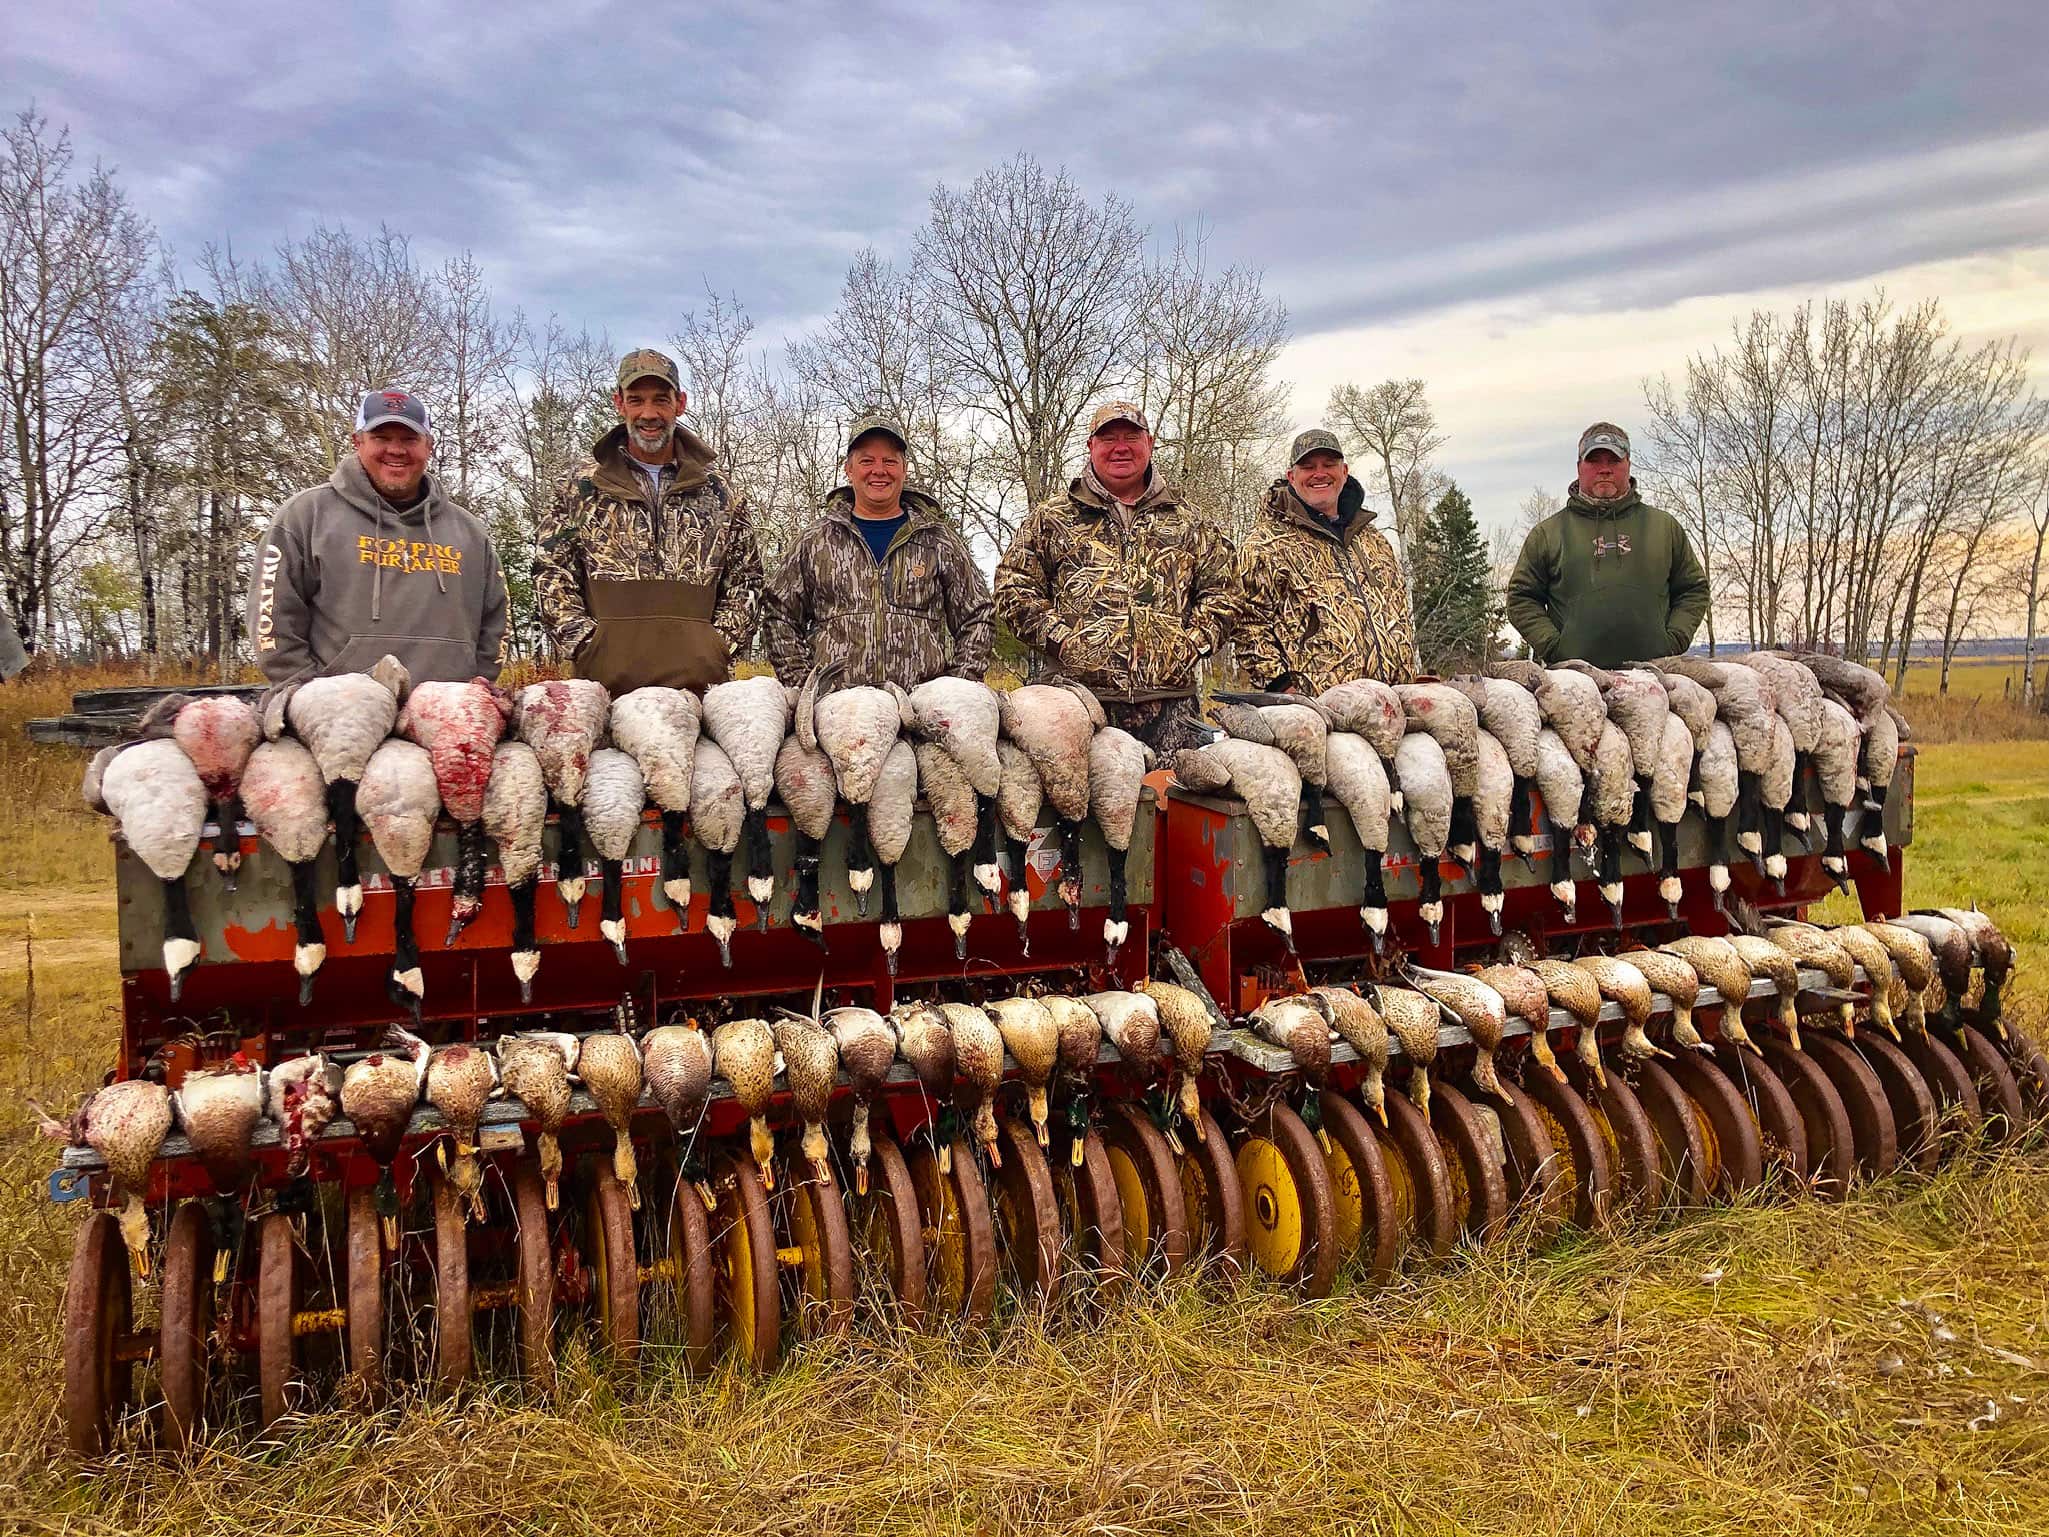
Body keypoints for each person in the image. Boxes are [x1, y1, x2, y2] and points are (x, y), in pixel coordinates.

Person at [995, 401, 1237, 752]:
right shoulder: (1052, 518)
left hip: (1171, 708)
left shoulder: (1189, 521)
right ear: (1091, 446)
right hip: (1077, 707)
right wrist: (1063, 641)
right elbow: (1013, 587)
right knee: (1080, 789)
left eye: (1131, 437)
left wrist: (1191, 644)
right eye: (1108, 438)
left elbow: (1226, 593)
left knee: (1173, 788)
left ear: (1149, 443)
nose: (1120, 447)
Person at [534, 348, 762, 694]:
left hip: (701, 695)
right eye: (636, 400)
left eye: (661, 400)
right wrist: (586, 645)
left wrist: (718, 646)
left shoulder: (721, 492)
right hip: (603, 694)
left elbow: (747, 580)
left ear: (680, 403)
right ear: (619, 403)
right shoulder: (579, 488)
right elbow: (551, 572)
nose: (649, 413)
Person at [249, 387, 507, 685]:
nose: (396, 450)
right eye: (381, 438)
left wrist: (476, 688)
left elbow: (496, 622)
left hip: (448, 708)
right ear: (357, 442)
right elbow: (272, 620)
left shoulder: (470, 532)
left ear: (429, 446)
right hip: (339, 707)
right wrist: (306, 693)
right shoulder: (306, 516)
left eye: (409, 439)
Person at [763, 412, 992, 688]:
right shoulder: (815, 540)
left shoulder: (937, 540)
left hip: (921, 705)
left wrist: (957, 687)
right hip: (837, 705)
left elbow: (978, 615)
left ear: (904, 469)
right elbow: (779, 616)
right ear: (849, 469)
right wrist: (806, 686)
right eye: (867, 461)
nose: (879, 470)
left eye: (889, 461)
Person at [1505, 421, 1709, 668]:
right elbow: (1521, 597)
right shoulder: (1549, 533)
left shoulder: (1664, 527)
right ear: (1579, 467)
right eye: (1594, 461)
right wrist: (1554, 647)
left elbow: (1693, 589)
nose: (1604, 470)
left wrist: (1674, 640)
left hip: (1657, 677)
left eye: (1613, 460)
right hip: (1575, 680)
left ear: (1628, 465)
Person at [1235, 428, 1418, 692]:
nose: (1319, 473)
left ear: (1344, 472)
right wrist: (1281, 687)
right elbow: (1247, 625)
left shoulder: (1374, 540)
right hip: (1319, 708)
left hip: (1393, 699)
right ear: (1291, 477)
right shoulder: (1265, 545)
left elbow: (1399, 614)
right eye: (1308, 467)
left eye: (1329, 464)